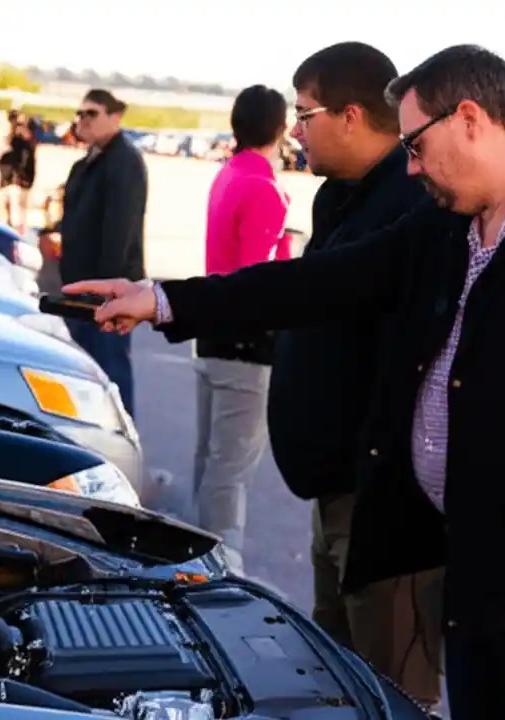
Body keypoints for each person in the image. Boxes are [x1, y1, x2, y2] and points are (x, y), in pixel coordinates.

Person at [66, 45, 505, 720]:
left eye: (417, 143)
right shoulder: (448, 224)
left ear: (471, 119)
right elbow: (324, 281)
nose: (411, 163)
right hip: (478, 558)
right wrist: (165, 300)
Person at [271, 42, 443, 708]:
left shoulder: (411, 207)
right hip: (333, 491)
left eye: (303, 111)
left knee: (392, 688)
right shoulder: (340, 200)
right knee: (334, 673)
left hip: (381, 503)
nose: (294, 128)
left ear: (349, 115)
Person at [190, 84, 293, 575]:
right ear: (280, 127)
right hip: (245, 347)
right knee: (230, 469)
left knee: (208, 460)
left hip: (211, 336)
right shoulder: (265, 189)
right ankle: (223, 567)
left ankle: (198, 553)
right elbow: (258, 282)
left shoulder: (228, 174)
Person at [58, 88, 147, 417]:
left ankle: (122, 456)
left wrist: (108, 295)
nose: (83, 120)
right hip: (81, 290)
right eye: (80, 114)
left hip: (105, 295)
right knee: (85, 382)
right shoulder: (90, 161)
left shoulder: (123, 162)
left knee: (112, 382)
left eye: (92, 113)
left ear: (115, 117)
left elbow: (119, 232)